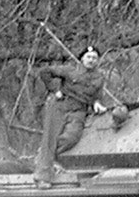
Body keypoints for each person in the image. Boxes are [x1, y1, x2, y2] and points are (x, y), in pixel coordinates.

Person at [34, 46, 109, 187]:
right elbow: (45, 72)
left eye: (94, 58)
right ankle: (42, 178)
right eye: (89, 57)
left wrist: (97, 104)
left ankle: (45, 158)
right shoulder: (69, 70)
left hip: (79, 110)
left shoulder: (99, 78)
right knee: (50, 138)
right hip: (61, 106)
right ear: (82, 58)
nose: (91, 60)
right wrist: (55, 90)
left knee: (71, 137)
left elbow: (97, 96)